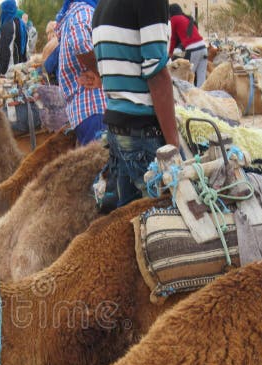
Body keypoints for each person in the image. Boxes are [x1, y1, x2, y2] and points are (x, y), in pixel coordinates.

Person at [90, 0, 179, 211]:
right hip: (143, 135)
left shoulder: (103, 6)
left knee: (131, 219)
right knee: (166, 219)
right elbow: (156, 75)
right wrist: (174, 150)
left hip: (118, 132)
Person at [56, 0, 106, 146]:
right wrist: (102, 73)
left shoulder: (73, 12)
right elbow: (80, 43)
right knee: (104, 165)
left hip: (85, 111)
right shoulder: (83, 10)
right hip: (94, 107)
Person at [169, 3, 207, 87]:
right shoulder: (187, 18)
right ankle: (202, 96)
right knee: (201, 78)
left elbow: (173, 38)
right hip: (203, 48)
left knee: (187, 78)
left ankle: (189, 98)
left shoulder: (174, 19)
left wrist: (170, 53)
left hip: (193, 50)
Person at [0, 0, 27, 77]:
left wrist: (0, 72)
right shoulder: (22, 25)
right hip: (20, 69)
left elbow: (5, 51)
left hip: (9, 71)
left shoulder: (7, 26)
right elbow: (25, 51)